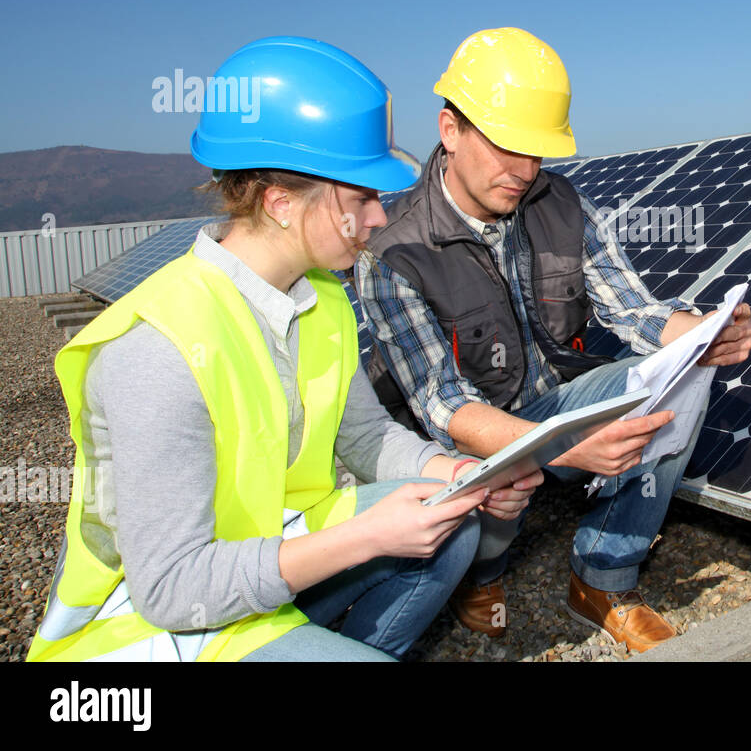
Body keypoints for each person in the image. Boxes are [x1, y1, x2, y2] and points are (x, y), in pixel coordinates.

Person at [27, 35, 541, 663]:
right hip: (158, 632)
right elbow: (169, 590)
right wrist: (365, 538)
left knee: (450, 516)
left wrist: (462, 474)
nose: (380, 218)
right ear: (280, 205)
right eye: (361, 198)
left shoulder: (321, 298)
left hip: (269, 566)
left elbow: (366, 437)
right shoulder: (156, 350)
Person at [357, 27, 751, 653]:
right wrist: (563, 452)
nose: (524, 171)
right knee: (487, 500)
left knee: (680, 375)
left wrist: (703, 334)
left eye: (538, 152)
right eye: (507, 146)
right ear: (450, 130)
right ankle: (479, 574)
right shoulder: (394, 252)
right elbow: (446, 406)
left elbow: (636, 315)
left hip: (553, 407)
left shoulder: (560, 203)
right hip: (465, 445)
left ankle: (602, 576)